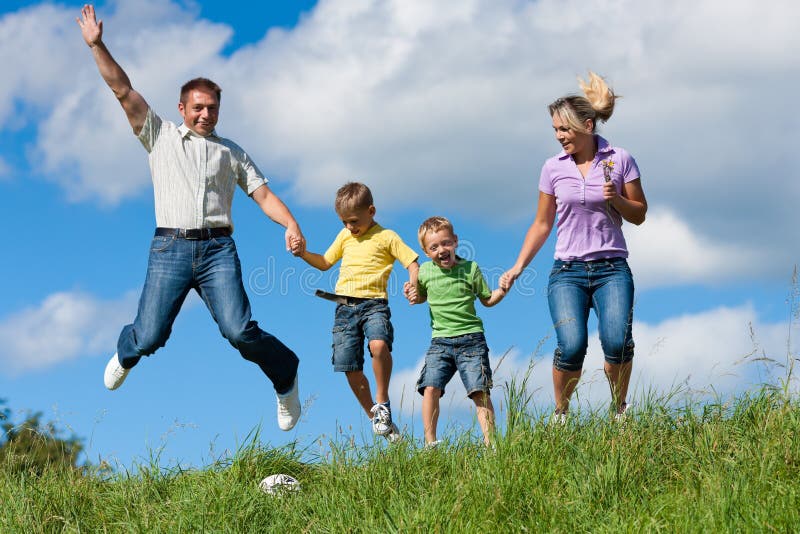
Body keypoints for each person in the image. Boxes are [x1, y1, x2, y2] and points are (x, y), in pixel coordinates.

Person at [76, 5, 305, 431]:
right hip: (170, 248)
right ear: (181, 108)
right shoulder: (159, 135)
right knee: (149, 337)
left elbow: (263, 194)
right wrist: (97, 45)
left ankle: (285, 373)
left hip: (218, 250)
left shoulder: (231, 151)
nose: (206, 114)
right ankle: (126, 351)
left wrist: (290, 224)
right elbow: (123, 91)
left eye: (213, 108)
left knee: (240, 332)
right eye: (198, 107)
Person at [500, 72, 648, 423]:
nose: (559, 136)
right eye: (555, 130)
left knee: (616, 343)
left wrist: (618, 201)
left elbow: (639, 214)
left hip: (612, 268)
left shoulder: (619, 159)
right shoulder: (553, 168)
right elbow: (542, 223)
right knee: (572, 345)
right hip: (567, 272)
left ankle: (620, 411)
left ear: (587, 125)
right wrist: (518, 266)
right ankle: (561, 414)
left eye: (564, 129)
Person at [297, 182, 419, 441]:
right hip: (344, 308)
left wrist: (413, 284)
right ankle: (375, 416)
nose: (350, 228)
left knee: (378, 345)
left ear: (371, 211)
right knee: (349, 366)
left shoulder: (387, 237)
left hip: (374, 304)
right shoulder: (345, 237)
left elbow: (412, 262)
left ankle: (382, 401)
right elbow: (325, 263)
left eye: (353, 221)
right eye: (344, 223)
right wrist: (303, 253)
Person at [404, 216, 506, 447]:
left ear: (456, 241)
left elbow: (487, 300)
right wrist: (411, 294)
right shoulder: (425, 272)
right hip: (440, 342)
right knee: (430, 387)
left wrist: (503, 290)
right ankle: (430, 444)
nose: (442, 249)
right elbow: (420, 296)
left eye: (446, 243)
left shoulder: (470, 269)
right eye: (434, 247)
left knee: (479, 391)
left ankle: (492, 446)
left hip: (471, 339)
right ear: (426, 251)